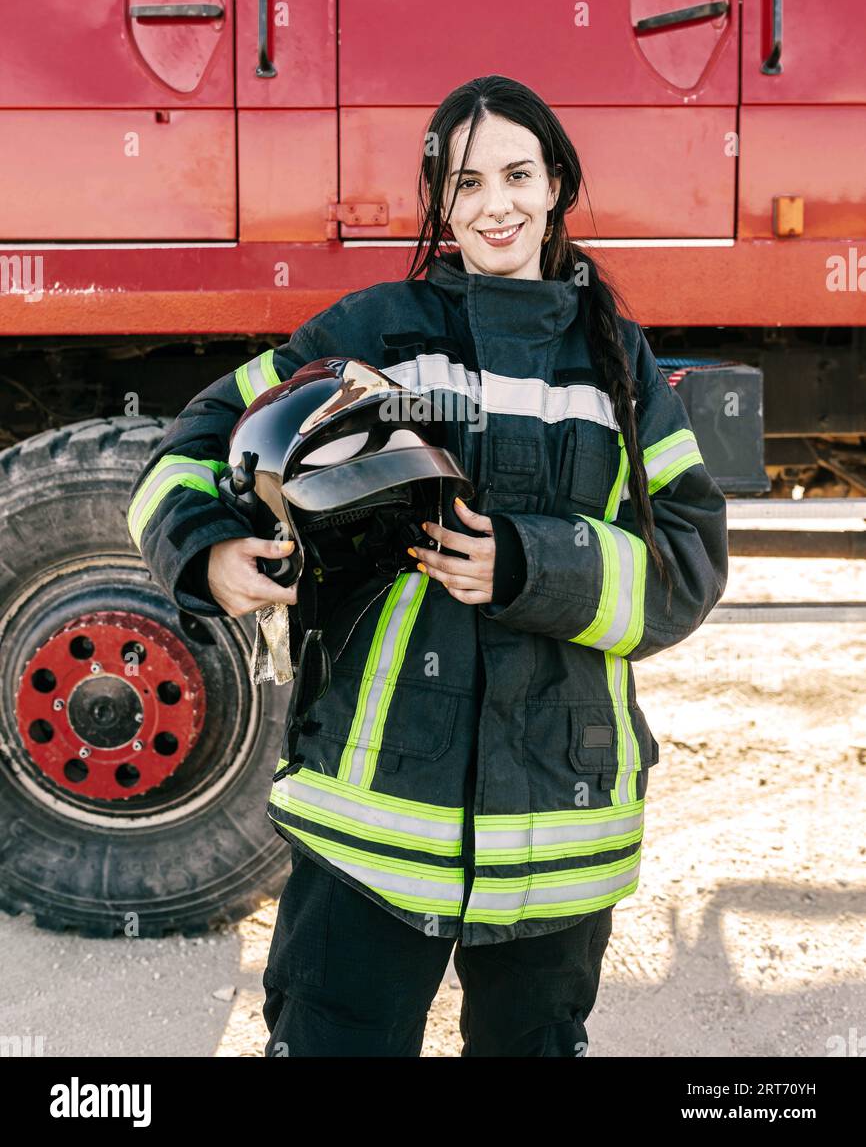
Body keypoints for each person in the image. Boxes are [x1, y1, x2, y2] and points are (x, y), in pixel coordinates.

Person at [127, 74, 728, 1057]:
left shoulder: (619, 362)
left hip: (557, 837)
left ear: (554, 184)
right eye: (466, 184)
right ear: (439, 205)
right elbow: (187, 451)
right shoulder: (367, 336)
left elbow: (688, 565)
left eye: (517, 174)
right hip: (366, 825)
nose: (495, 204)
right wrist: (210, 552)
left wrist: (531, 565)